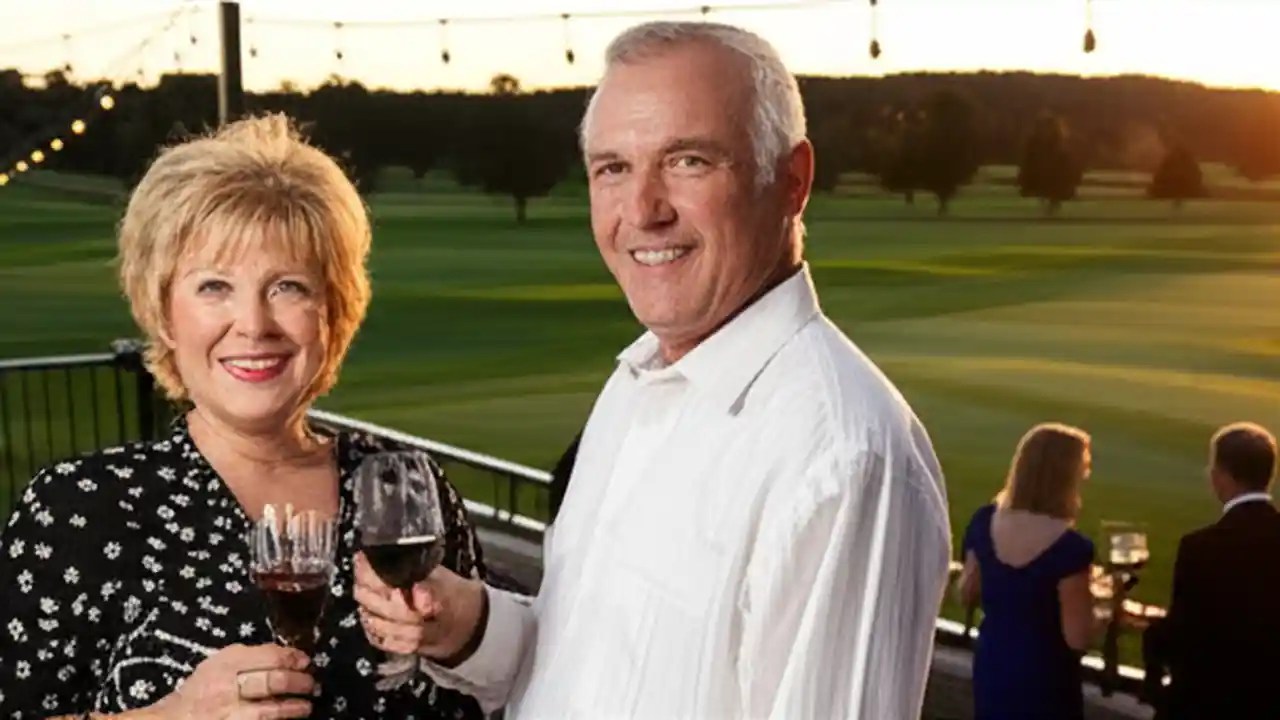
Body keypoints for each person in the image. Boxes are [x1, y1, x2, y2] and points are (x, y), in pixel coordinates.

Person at [354, 20, 951, 719]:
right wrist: (474, 629)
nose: (642, 210)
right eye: (613, 168)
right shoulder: (635, 383)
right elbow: (588, 665)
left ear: (792, 181)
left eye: (688, 161)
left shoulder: (842, 458)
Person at [0, 114, 487, 719]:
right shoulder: (77, 511)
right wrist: (169, 717)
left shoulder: (402, 492)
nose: (254, 325)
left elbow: (493, 695)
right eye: (214, 287)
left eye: (288, 287)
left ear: (333, 312)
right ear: (164, 314)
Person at [958, 422, 1099, 720]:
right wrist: (1102, 611)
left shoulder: (984, 522)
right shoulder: (1071, 548)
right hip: (1045, 675)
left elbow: (967, 591)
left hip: (993, 661)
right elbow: (1078, 637)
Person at [1142, 421, 1280, 719]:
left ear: (1222, 477)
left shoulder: (1199, 546)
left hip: (1207, 703)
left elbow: (1182, 635)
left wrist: (1151, 635)